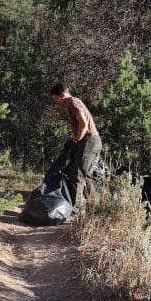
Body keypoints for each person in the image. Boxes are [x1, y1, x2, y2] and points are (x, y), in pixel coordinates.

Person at [49, 82, 102, 216]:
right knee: (86, 175)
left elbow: (83, 125)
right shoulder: (74, 102)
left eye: (56, 99)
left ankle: (77, 209)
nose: (56, 102)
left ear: (62, 95)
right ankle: (94, 207)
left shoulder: (72, 102)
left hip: (89, 141)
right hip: (92, 140)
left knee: (78, 174)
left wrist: (76, 141)